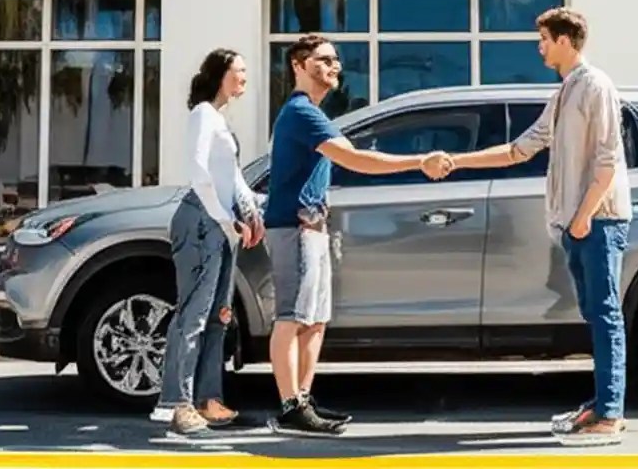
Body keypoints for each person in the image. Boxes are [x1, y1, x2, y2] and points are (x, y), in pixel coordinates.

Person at [443, 7, 631, 447]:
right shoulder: (564, 93)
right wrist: (457, 161)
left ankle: (610, 414)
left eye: (544, 38)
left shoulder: (596, 86)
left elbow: (608, 159)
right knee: (594, 314)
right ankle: (600, 404)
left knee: (605, 316)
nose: (540, 46)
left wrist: (584, 216)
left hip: (599, 221)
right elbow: (518, 150)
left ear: (566, 40)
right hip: (578, 223)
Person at [262, 34, 452, 437]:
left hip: (311, 227)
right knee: (291, 318)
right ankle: (289, 407)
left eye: (336, 61)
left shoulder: (312, 113)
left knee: (314, 321)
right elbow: (355, 159)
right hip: (294, 228)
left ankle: (302, 400)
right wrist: (420, 161)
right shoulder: (301, 112)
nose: (334, 67)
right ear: (298, 64)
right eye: (324, 59)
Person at [153, 48, 265, 436]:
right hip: (202, 221)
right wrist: (226, 218)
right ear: (221, 73)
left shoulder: (219, 119)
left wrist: (250, 211)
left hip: (223, 223)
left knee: (219, 317)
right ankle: (177, 404)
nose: (244, 78)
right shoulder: (202, 115)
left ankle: (208, 399)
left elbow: (232, 176)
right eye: (240, 70)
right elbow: (200, 172)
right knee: (193, 317)